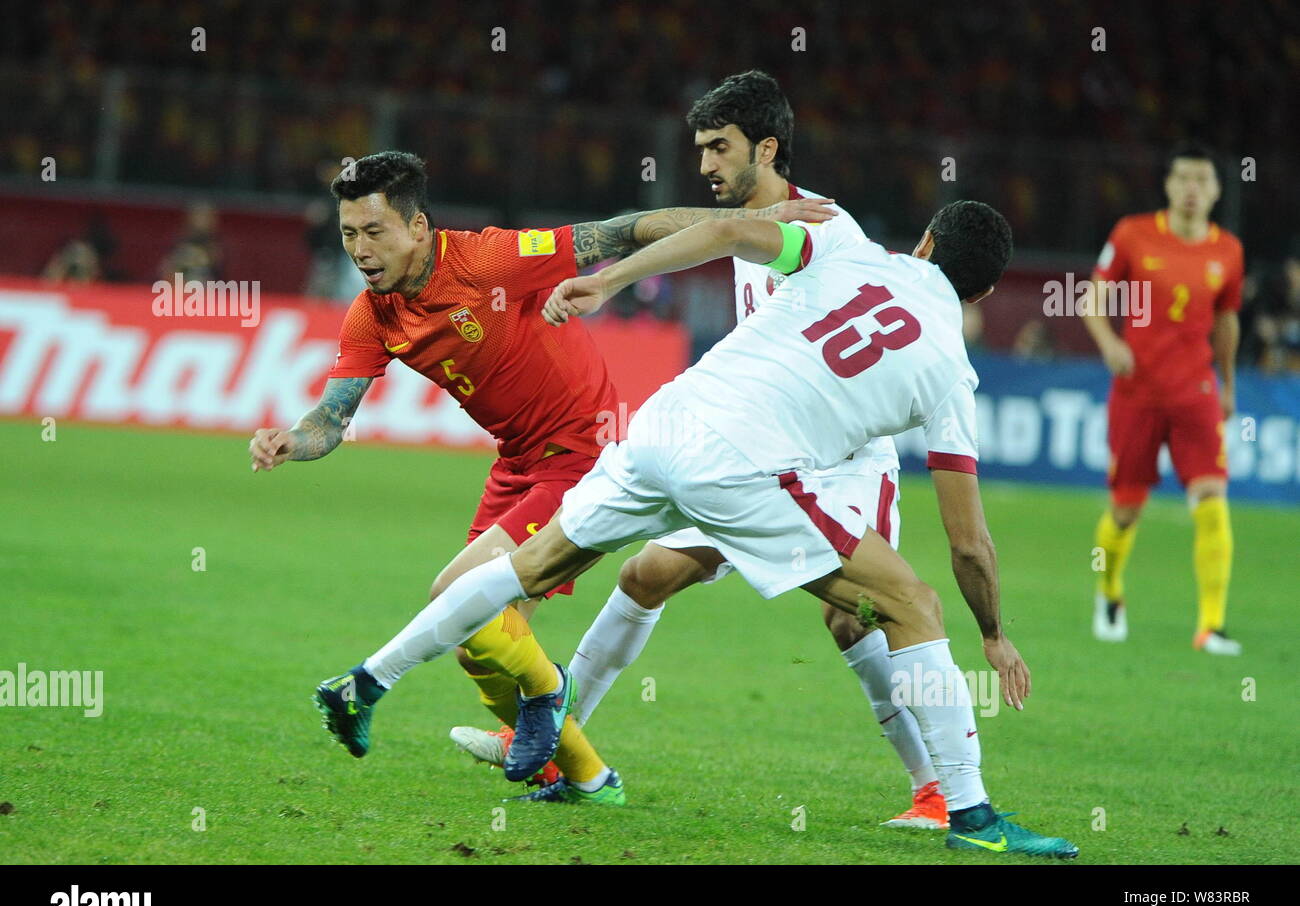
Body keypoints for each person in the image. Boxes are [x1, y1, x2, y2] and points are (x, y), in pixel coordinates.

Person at [317, 198, 1080, 858]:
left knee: (533, 564)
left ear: (924, 244)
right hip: (747, 465)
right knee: (912, 603)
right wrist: (994, 632)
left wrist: (609, 279)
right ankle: (971, 813)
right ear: (981, 289)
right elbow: (969, 542)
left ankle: (368, 679)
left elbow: (728, 236)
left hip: (665, 423)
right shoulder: (951, 368)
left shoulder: (843, 240)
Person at [249, 150, 834, 799]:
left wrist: (754, 220)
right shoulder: (373, 314)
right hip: (519, 464)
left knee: (458, 593)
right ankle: (587, 777)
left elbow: (623, 230)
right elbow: (333, 418)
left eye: (375, 231)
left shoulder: (489, 260)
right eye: (349, 233)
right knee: (478, 643)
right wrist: (289, 441)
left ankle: (550, 690)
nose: (360, 248)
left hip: (585, 454)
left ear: (419, 227)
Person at [450, 71, 946, 827]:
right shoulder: (750, 226)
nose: (707, 164)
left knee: (856, 618)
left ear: (768, 147)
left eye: (721, 148)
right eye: (701, 149)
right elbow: (690, 230)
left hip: (843, 459)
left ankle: (937, 788)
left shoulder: (822, 228)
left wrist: (606, 279)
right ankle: (544, 735)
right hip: (759, 454)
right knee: (645, 573)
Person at [1082, 142, 1244, 655]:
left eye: (1202, 179)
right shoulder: (1132, 234)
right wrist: (1110, 345)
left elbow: (1226, 320)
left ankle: (1211, 626)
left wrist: (1228, 384)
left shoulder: (1229, 252)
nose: (1191, 188)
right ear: (1168, 186)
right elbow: (1092, 298)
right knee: (1126, 509)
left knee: (1212, 500)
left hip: (1196, 391)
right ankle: (1108, 591)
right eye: (1183, 178)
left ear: (1217, 190)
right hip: (1138, 392)